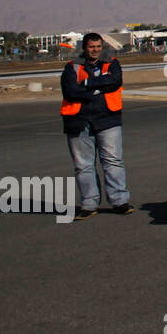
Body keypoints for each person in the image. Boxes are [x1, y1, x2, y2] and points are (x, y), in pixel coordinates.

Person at [60, 33, 130, 220]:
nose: (95, 50)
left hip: (108, 119)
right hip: (79, 120)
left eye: (98, 46)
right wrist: (96, 91)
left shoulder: (112, 63)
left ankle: (119, 201)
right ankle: (89, 203)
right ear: (85, 47)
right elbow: (70, 91)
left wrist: (88, 83)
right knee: (83, 165)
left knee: (113, 161)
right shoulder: (72, 67)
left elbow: (115, 81)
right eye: (92, 47)